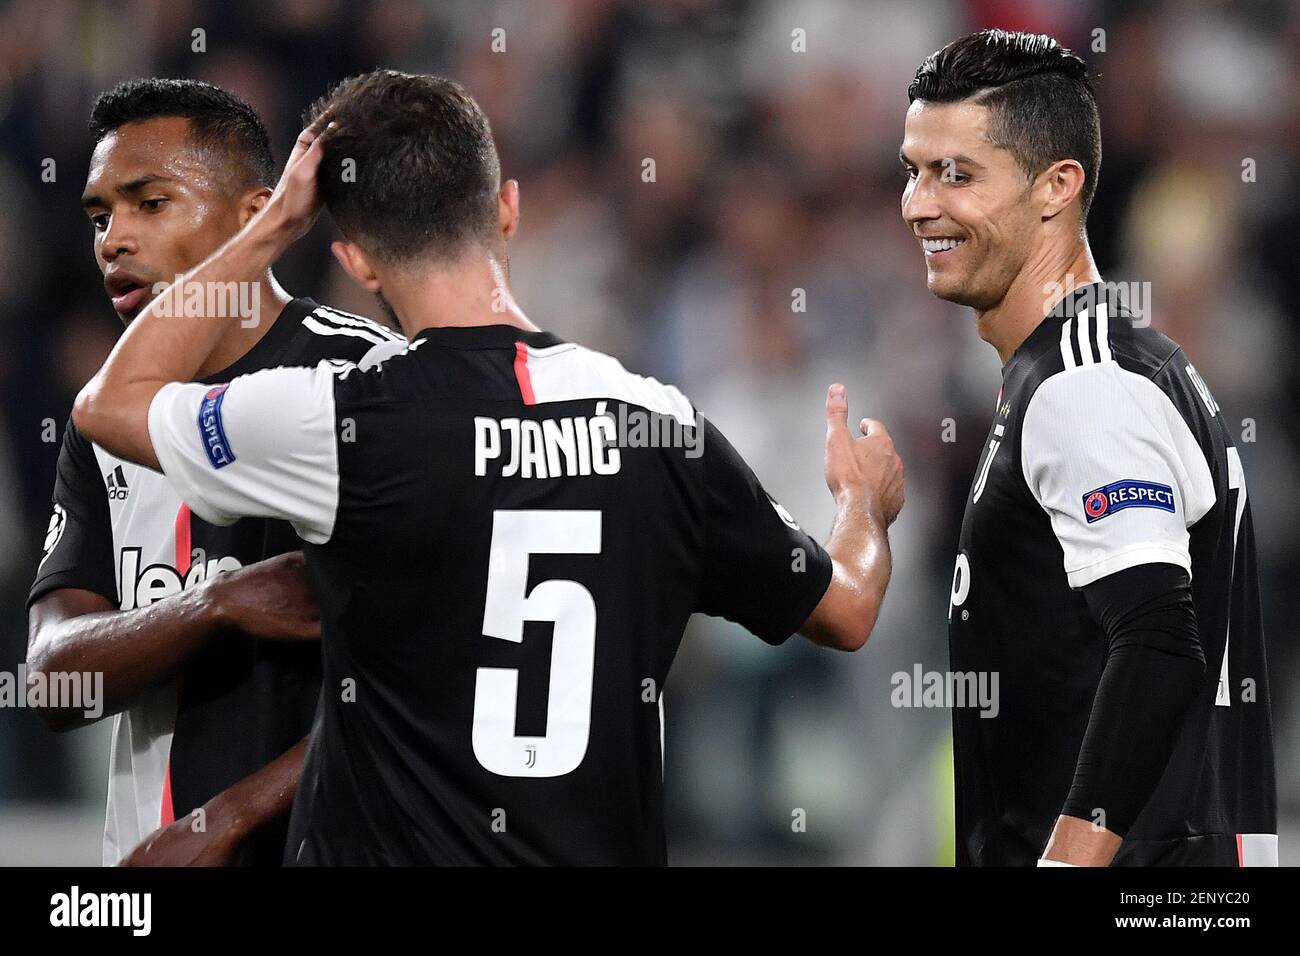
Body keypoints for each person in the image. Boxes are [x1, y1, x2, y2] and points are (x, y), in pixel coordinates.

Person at [71, 70, 905, 864]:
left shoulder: (337, 421)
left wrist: (275, 226)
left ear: (356, 261)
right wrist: (861, 502)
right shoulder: (661, 425)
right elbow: (849, 606)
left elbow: (111, 404)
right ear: (507, 210)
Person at [900, 29, 1276, 866]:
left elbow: (1156, 642)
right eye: (914, 171)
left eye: (956, 174)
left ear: (1057, 187)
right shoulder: (1080, 367)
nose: (920, 204)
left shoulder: (1084, 386)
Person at [26, 78, 402, 866]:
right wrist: (214, 607)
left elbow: (423, 684)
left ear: (254, 215)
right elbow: (51, 686)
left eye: (149, 204)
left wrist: (227, 820)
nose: (113, 240)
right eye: (100, 215)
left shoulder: (368, 381)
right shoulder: (102, 423)